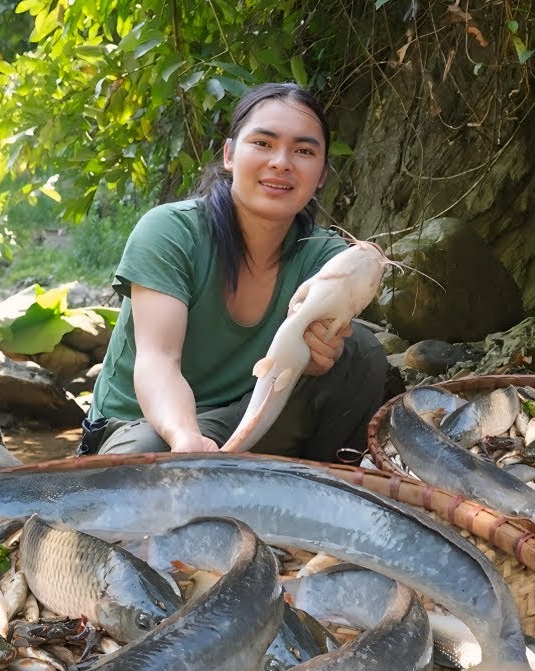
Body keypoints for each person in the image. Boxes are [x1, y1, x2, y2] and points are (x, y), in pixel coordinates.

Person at [82, 82, 387, 461]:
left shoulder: (321, 255)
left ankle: (323, 484)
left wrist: (322, 351)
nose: (281, 162)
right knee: (148, 460)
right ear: (229, 155)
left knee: (360, 352)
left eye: (304, 151)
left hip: (248, 417)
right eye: (262, 143)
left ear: (322, 173)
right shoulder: (171, 232)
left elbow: (365, 264)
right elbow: (158, 359)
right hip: (148, 424)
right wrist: (184, 437)